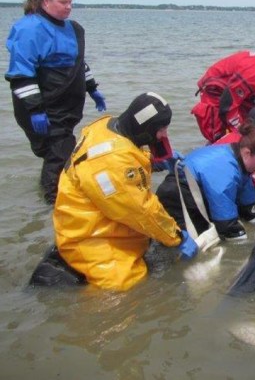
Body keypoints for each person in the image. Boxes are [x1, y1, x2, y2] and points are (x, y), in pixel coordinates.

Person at [49, 93, 197, 291]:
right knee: (125, 288)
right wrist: (176, 236)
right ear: (146, 129)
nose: (163, 135)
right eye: (161, 129)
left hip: (85, 216)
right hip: (89, 235)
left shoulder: (106, 125)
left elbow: (119, 159)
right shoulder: (114, 163)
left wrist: (151, 161)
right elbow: (143, 212)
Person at [5, 0, 107, 203]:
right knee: (59, 154)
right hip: (42, 106)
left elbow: (79, 63)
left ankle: (51, 199)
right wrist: (35, 110)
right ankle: (52, 203)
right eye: (63, 2)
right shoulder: (29, 29)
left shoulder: (74, 29)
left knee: (58, 155)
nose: (69, 6)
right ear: (45, 1)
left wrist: (92, 88)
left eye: (71, 2)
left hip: (67, 107)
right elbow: (21, 76)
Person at [156, 126, 255, 241]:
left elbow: (249, 207)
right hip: (176, 197)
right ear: (247, 152)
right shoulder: (226, 172)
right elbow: (227, 226)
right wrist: (248, 246)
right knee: (191, 241)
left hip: (195, 191)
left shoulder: (241, 163)